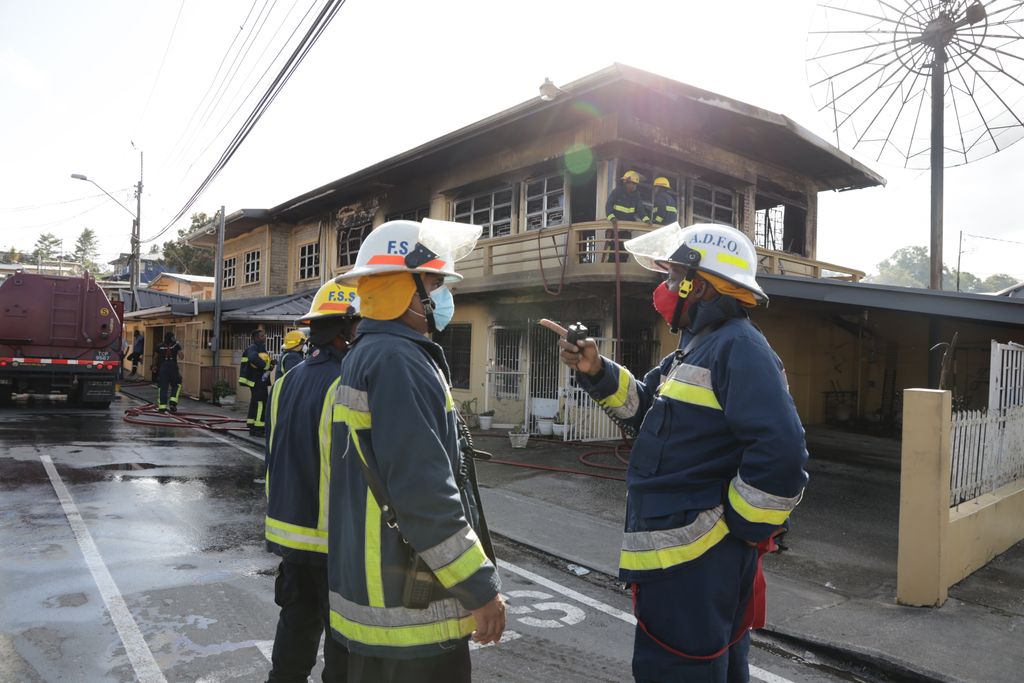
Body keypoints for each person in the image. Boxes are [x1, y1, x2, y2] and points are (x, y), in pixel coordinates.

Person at [550, 222, 808, 682]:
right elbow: (644, 407)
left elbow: (782, 454)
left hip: (697, 560)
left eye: (671, 277)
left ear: (698, 283)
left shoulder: (739, 347)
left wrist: (739, 526)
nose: (665, 287)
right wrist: (596, 369)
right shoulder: (696, 349)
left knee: (677, 671)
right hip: (688, 560)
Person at [328, 219, 505, 683]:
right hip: (410, 613)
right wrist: (479, 589)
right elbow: (424, 494)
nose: (443, 295)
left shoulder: (367, 354)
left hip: (375, 600)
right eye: (434, 283)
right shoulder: (400, 362)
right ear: (403, 289)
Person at [263, 281, 361, 683]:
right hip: (332, 540)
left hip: (290, 532)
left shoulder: (286, 381)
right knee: (344, 639)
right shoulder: (347, 384)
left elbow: (273, 453)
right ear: (346, 331)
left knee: (296, 625)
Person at [604, 169, 650, 263]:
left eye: (635, 184)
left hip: (627, 230)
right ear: (626, 182)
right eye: (632, 183)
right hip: (616, 229)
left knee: (625, 253)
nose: (634, 186)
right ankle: (613, 273)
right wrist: (612, 218)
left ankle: (622, 272)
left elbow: (640, 209)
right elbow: (608, 206)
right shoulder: (617, 192)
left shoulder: (636, 195)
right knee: (614, 253)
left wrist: (646, 219)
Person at [241, 328, 272, 436]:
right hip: (257, 381)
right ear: (256, 337)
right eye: (262, 336)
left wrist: (271, 363)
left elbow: (262, 360)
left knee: (255, 403)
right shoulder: (253, 348)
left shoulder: (260, 348)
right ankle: (258, 428)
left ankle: (252, 426)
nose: (265, 337)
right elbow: (253, 358)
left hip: (259, 381)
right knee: (260, 404)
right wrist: (266, 365)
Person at [155, 331, 183, 414]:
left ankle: (162, 407)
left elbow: (155, 357)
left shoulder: (159, 346)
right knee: (177, 384)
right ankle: (173, 403)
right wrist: (178, 345)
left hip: (163, 368)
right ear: (172, 338)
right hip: (173, 368)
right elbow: (181, 357)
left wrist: (154, 366)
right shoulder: (176, 345)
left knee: (162, 387)